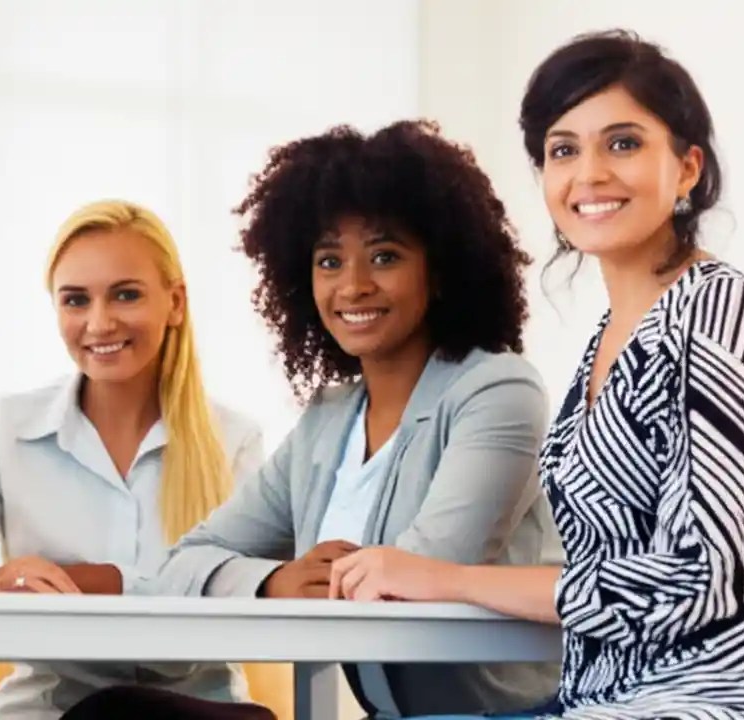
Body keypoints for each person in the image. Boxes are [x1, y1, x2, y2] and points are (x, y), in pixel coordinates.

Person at [330, 30, 744, 720]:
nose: (589, 174)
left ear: (687, 169)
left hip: (708, 703)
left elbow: (703, 578)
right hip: (594, 700)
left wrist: (449, 579)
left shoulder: (718, 310)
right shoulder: (609, 340)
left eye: (623, 143)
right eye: (563, 150)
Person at [141, 120, 562, 718]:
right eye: (329, 261)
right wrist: (274, 582)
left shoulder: (496, 390)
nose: (353, 286)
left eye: (384, 256)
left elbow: (417, 580)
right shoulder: (327, 421)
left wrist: (320, 579)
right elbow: (181, 562)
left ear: (439, 269)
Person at [0, 199, 272, 719]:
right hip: (53, 711)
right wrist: (4, 579)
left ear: (175, 303)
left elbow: (252, 590)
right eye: (75, 301)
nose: (99, 322)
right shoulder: (11, 428)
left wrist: (103, 580)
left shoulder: (232, 439)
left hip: (197, 712)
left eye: (125, 295)